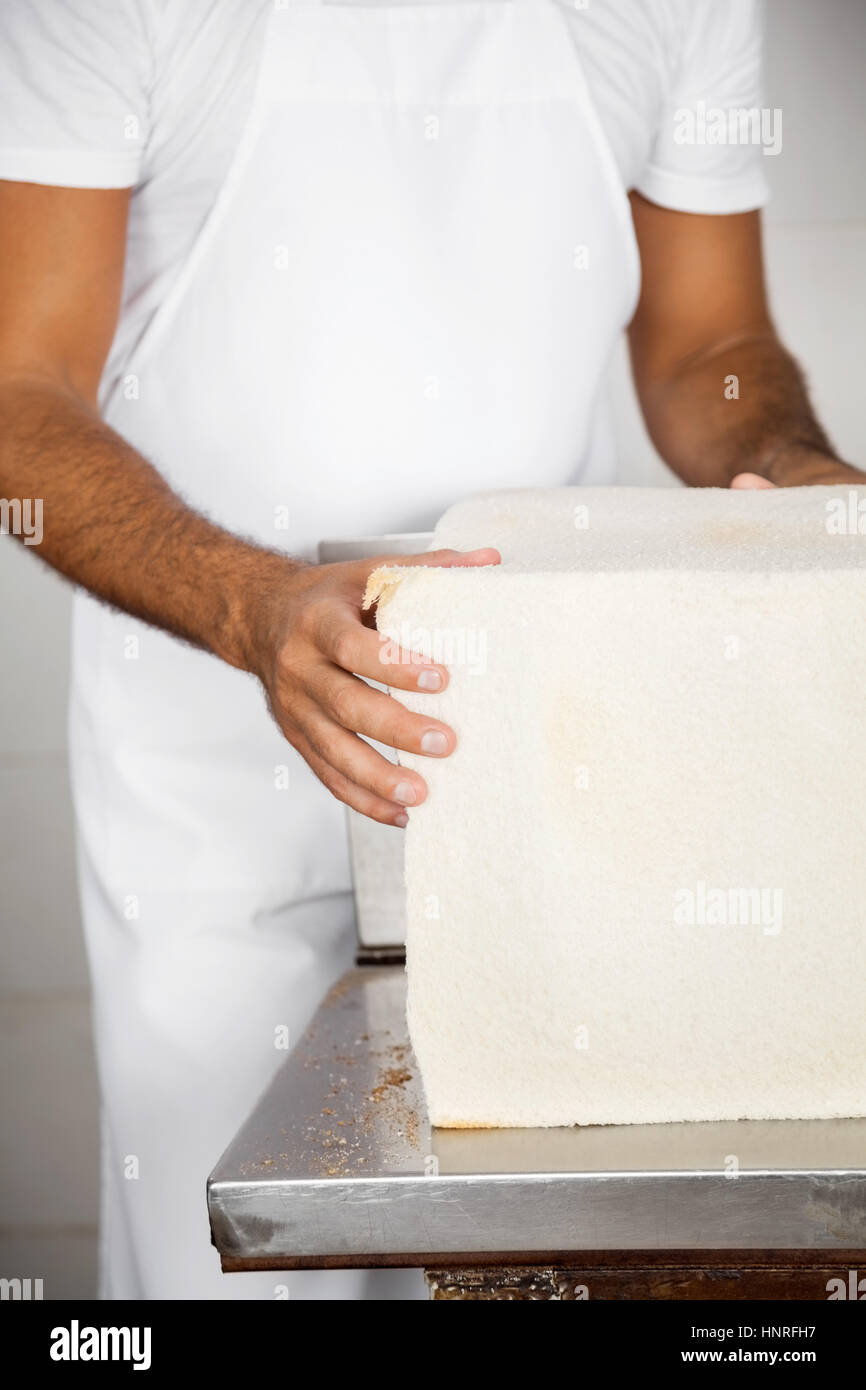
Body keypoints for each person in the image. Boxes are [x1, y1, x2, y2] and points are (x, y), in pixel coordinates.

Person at [0, 0, 861, 1300]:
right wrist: (253, 608)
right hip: (216, 813)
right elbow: (20, 393)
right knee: (229, 1275)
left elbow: (711, 350)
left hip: (539, 780)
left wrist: (791, 473)